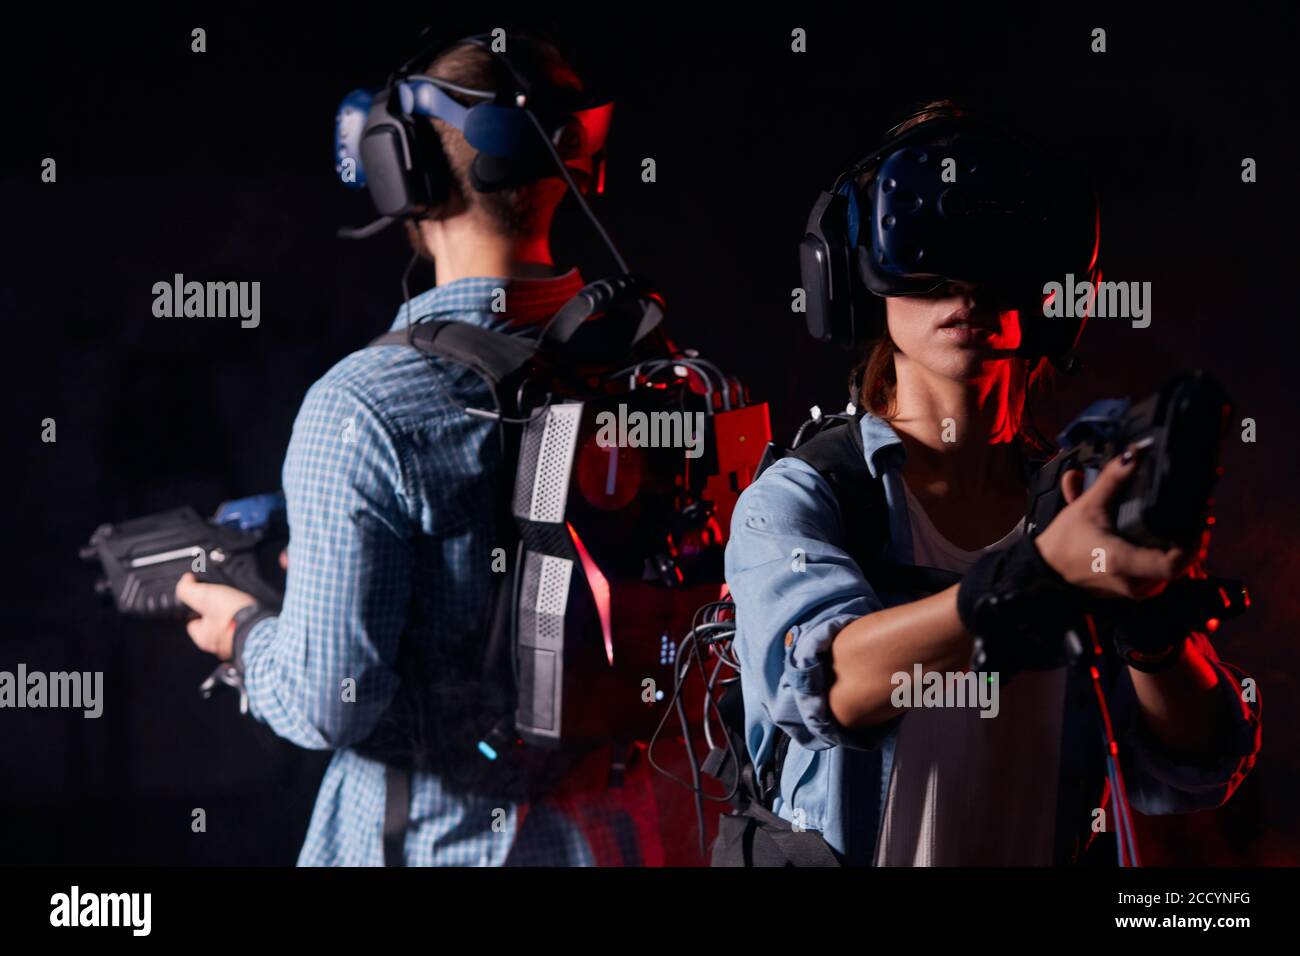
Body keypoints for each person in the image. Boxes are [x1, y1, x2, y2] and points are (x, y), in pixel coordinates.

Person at [723, 101, 1261, 866]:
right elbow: (829, 683)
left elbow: (1197, 767)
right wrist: (1035, 577)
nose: (964, 287)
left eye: (996, 248)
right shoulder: (805, 499)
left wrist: (1154, 632)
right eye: (918, 244)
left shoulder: (1085, 500)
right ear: (849, 269)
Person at [173, 35, 663, 866]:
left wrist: (246, 634)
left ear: (404, 176)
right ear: (579, 163)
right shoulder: (659, 373)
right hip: (640, 836)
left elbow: (332, 704)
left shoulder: (362, 407)